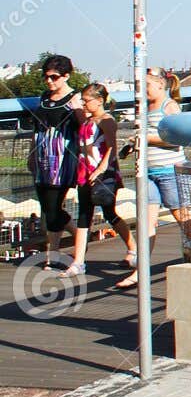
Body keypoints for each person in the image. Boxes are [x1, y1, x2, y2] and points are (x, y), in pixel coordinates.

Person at [115, 69, 191, 290]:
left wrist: (144, 138)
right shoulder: (142, 109)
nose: (142, 92)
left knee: (181, 216)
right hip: (148, 172)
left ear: (161, 86)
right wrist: (133, 145)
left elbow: (178, 139)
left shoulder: (169, 106)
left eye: (146, 87)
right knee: (147, 222)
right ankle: (140, 270)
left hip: (170, 170)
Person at [61, 83, 135, 278]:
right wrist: (76, 104)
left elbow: (112, 146)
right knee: (84, 216)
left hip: (104, 176)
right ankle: (78, 262)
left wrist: (101, 170)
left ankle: (133, 248)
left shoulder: (106, 120)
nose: (84, 104)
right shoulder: (87, 120)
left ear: (100, 101)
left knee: (110, 214)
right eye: (83, 101)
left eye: (87, 100)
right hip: (84, 173)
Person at [22, 55, 80, 269]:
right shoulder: (44, 98)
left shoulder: (75, 98)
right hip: (41, 157)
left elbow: (83, 127)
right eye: (46, 77)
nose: (49, 81)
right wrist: (30, 154)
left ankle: (54, 253)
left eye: (54, 77)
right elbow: (36, 129)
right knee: (48, 207)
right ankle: (72, 240)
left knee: (53, 206)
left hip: (63, 160)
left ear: (66, 76)